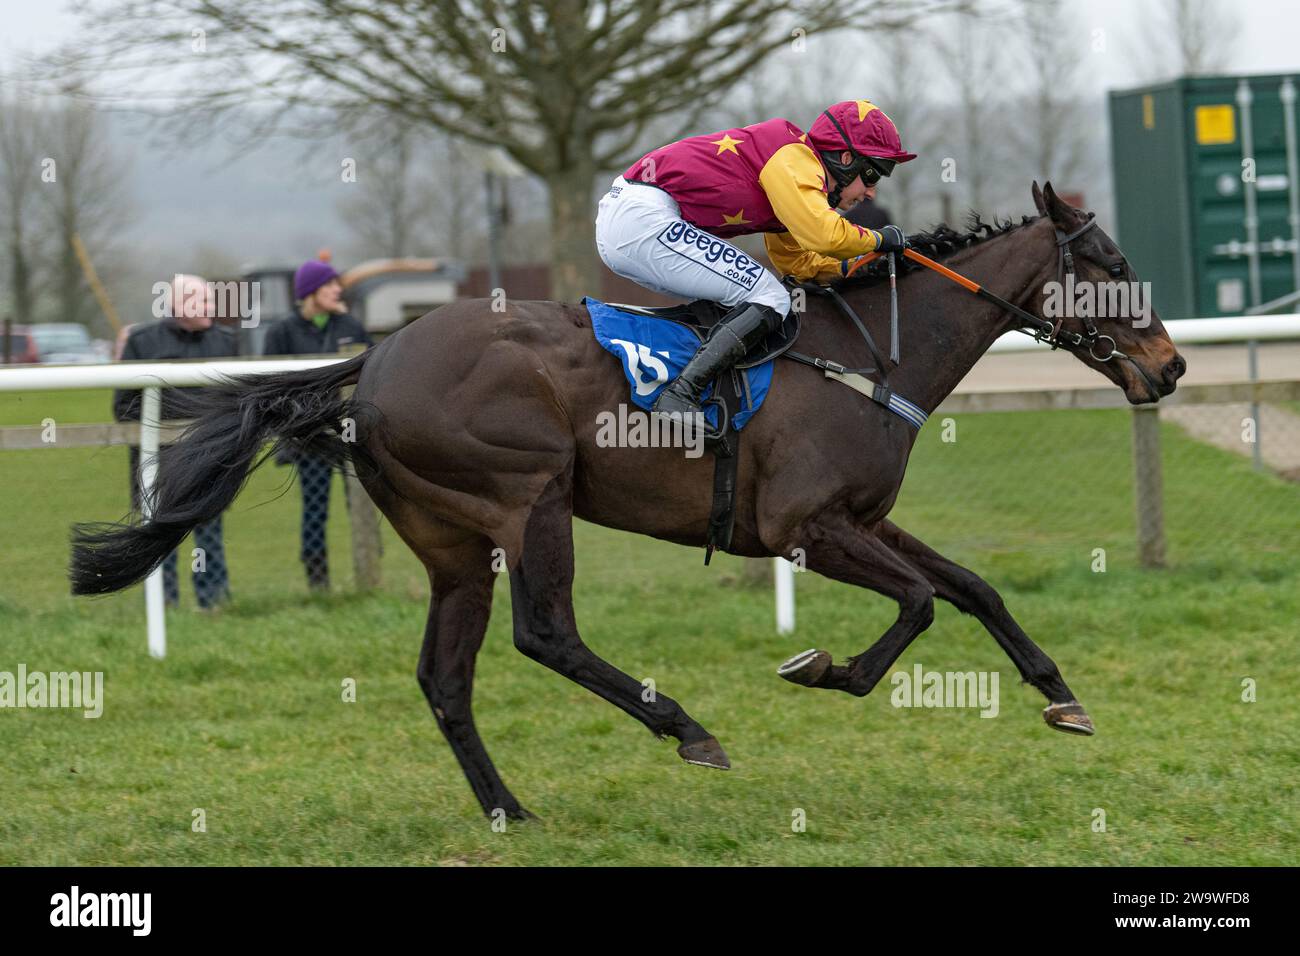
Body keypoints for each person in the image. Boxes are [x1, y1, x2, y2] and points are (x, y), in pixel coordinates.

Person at [597, 99, 916, 423]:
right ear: (846, 159)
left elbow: (795, 262)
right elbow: (824, 235)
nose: (872, 193)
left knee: (747, 294)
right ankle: (682, 394)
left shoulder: (798, 179)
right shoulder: (795, 160)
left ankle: (698, 385)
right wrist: (878, 239)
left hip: (634, 220)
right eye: (872, 175)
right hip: (641, 218)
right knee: (769, 296)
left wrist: (851, 267)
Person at [113, 274, 236, 609]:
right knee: (160, 530)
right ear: (180, 305)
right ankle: (164, 603)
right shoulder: (143, 342)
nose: (212, 307)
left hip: (211, 456)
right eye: (204, 301)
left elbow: (237, 399)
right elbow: (123, 406)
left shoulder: (226, 342)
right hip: (158, 458)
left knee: (209, 531)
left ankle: (213, 600)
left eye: (212, 300)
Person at [260, 257, 372, 591]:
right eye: (330, 285)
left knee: (366, 503)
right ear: (310, 292)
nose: (338, 290)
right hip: (310, 436)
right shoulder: (282, 332)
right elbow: (273, 385)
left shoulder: (350, 326)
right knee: (315, 508)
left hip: (354, 431)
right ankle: (317, 580)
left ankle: (369, 575)